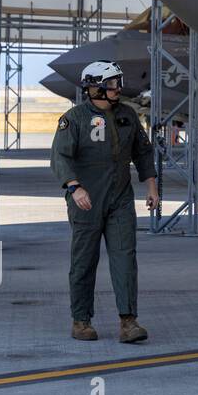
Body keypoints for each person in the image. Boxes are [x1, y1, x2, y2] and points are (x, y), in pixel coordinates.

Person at [50, 60, 160, 343]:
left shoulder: (128, 115)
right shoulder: (73, 119)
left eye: (117, 83)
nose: (118, 89)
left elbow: (143, 153)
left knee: (125, 257)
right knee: (84, 260)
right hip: (86, 199)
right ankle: (81, 320)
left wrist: (151, 186)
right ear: (95, 88)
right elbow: (60, 157)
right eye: (112, 84)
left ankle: (128, 322)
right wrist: (75, 188)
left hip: (120, 198)